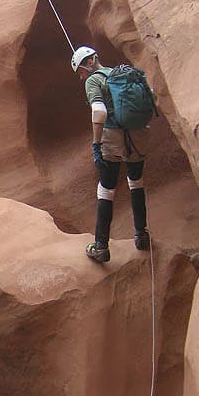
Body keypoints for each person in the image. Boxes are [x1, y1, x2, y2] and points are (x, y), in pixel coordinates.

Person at [71, 45, 151, 263]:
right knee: (136, 182)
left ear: (89, 63)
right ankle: (141, 235)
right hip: (138, 135)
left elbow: (99, 112)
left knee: (106, 189)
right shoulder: (120, 75)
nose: (81, 77)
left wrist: (96, 144)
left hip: (112, 137)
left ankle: (101, 247)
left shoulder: (93, 81)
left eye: (81, 71)